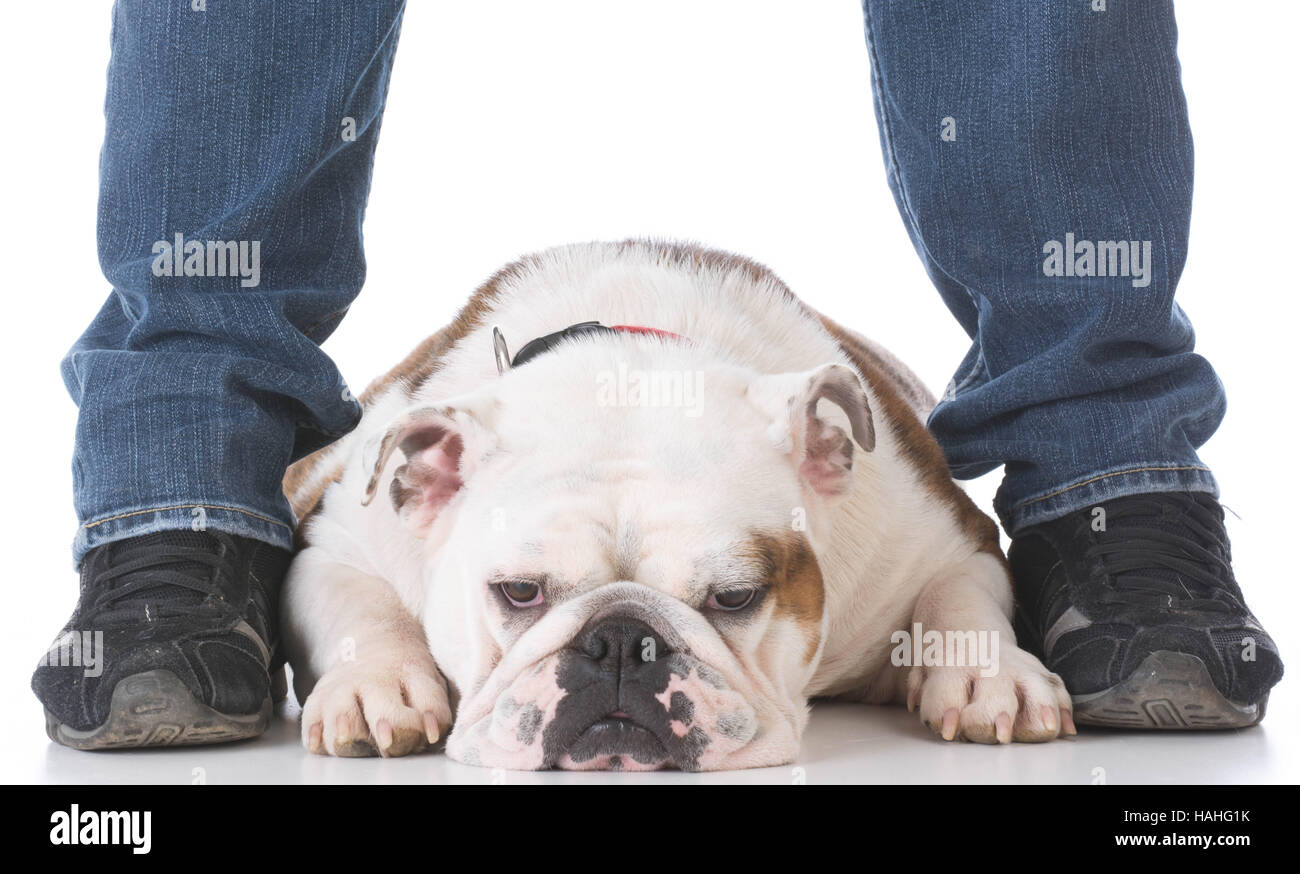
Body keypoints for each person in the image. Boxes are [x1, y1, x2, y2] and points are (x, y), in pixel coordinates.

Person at [33, 0, 1281, 749]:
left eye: (731, 593)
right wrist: (365, 645)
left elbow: (944, 553)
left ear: (823, 462)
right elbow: (343, 550)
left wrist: (957, 620)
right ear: (422, 477)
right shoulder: (421, 462)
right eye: (521, 593)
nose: (621, 675)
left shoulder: (850, 481)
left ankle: (1107, 475)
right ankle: (189, 502)